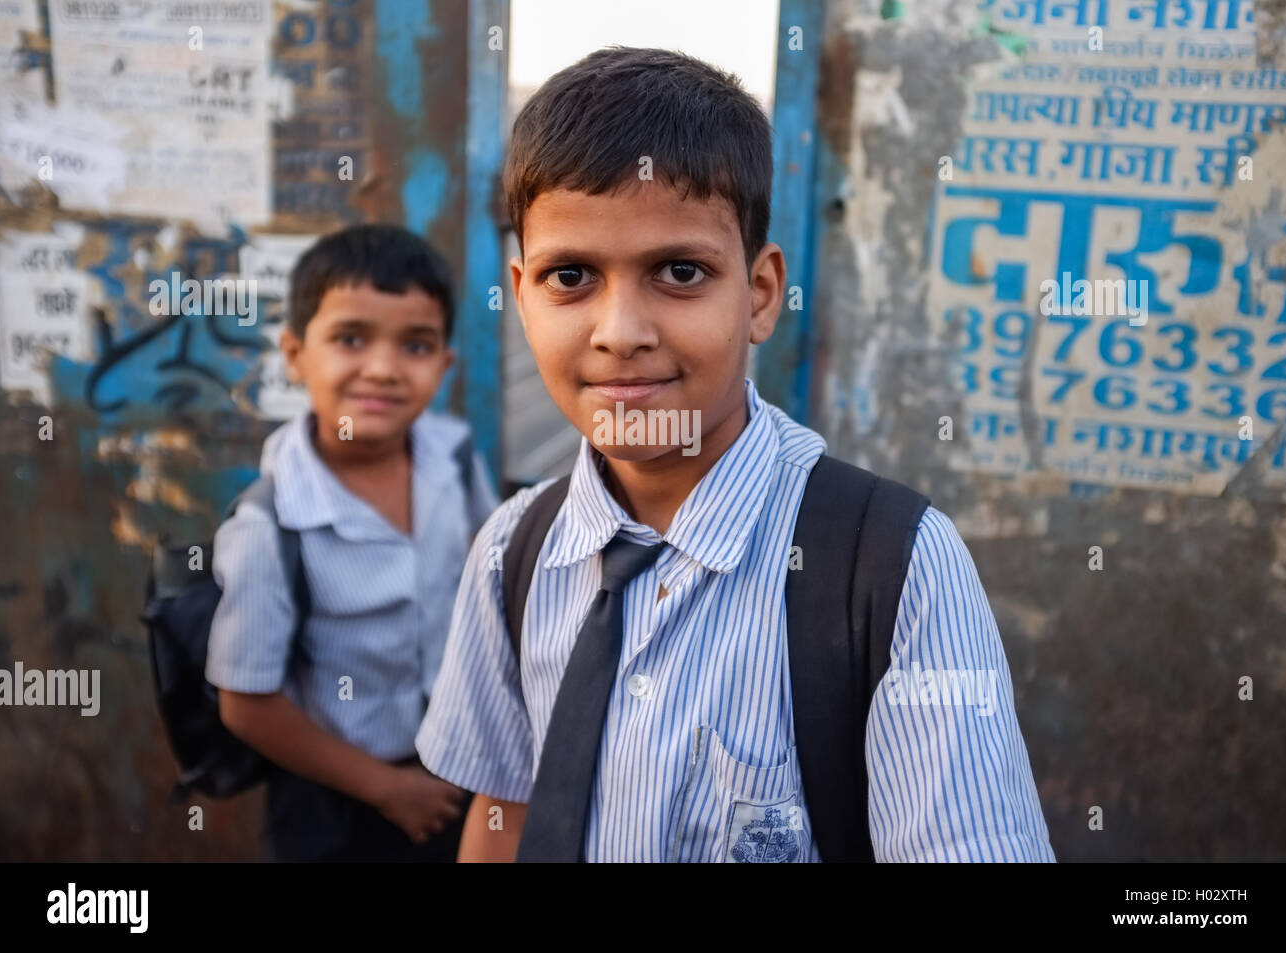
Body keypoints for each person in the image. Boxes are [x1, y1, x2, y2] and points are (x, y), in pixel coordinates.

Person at [417, 47, 1055, 862]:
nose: (620, 331)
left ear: (758, 294)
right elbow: (504, 810)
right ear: (520, 290)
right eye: (570, 276)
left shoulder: (894, 569)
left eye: (680, 272)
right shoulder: (513, 551)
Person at [207, 223, 498, 861]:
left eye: (416, 346)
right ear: (294, 354)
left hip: (456, 774)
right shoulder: (268, 525)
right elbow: (247, 704)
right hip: (336, 800)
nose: (383, 369)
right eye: (350, 339)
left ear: (445, 365)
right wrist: (388, 789)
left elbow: (491, 574)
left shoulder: (451, 455)